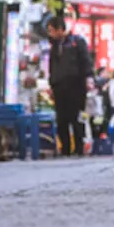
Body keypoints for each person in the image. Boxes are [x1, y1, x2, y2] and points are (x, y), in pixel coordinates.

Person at [46, 15, 93, 157]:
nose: (50, 34)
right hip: (59, 87)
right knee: (61, 119)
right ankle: (65, 149)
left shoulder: (76, 42)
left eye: (52, 30)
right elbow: (52, 66)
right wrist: (52, 84)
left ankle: (79, 148)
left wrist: (88, 79)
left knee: (76, 118)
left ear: (60, 29)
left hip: (76, 86)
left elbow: (86, 61)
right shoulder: (54, 46)